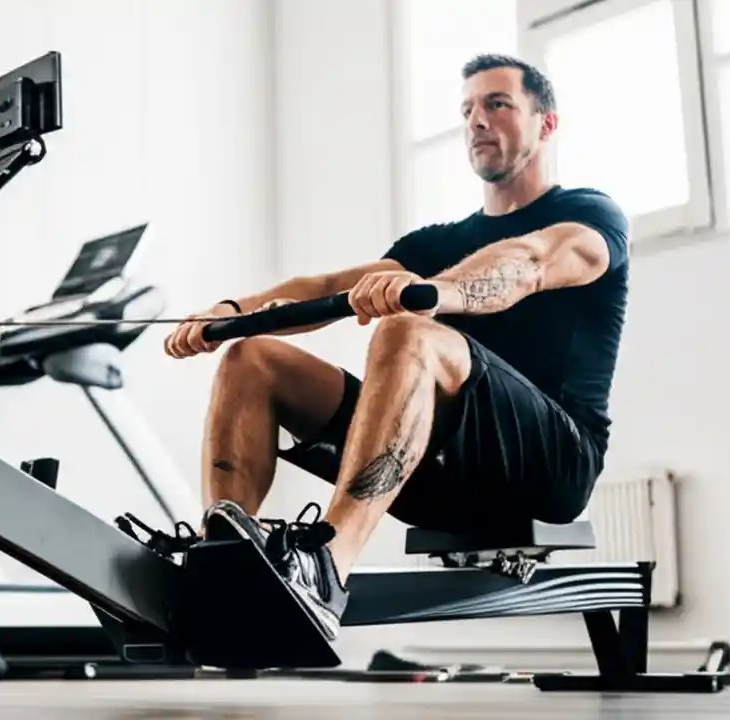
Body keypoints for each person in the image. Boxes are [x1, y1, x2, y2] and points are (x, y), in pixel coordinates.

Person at [163, 54, 630, 641]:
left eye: (498, 104)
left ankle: (327, 567)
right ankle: (223, 561)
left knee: (407, 330)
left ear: (547, 123)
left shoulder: (589, 216)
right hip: (438, 471)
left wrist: (441, 293)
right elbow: (326, 287)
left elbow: (531, 263)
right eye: (467, 109)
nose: (477, 120)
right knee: (251, 358)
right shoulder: (438, 242)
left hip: (551, 468)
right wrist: (233, 313)